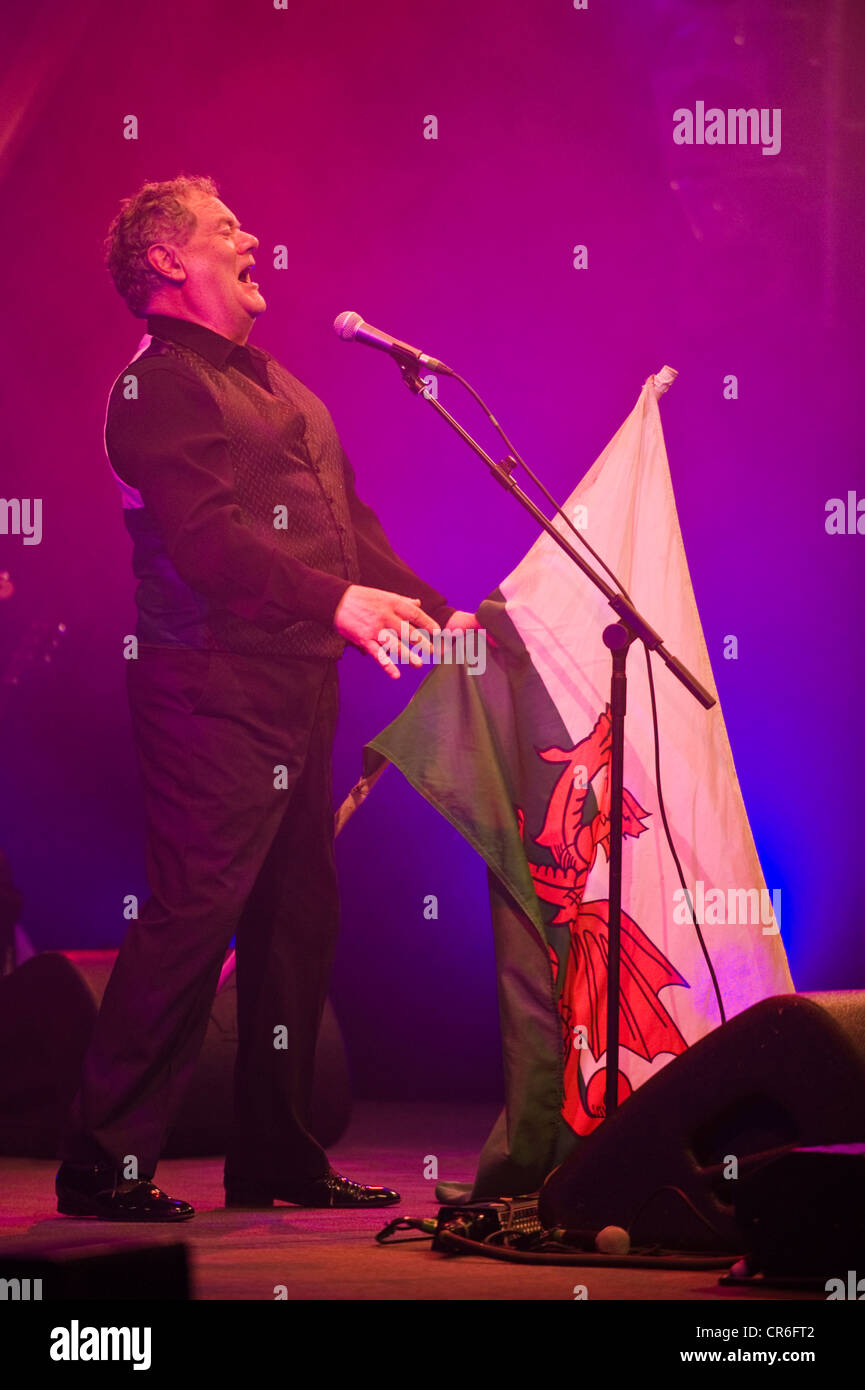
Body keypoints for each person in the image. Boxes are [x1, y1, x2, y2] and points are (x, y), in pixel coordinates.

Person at [55, 175, 479, 1221]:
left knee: (298, 919)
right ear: (167, 261)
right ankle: (104, 1163)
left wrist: (436, 613)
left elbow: (349, 526)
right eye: (225, 228)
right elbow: (208, 545)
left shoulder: (277, 385)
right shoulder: (153, 388)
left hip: (294, 682)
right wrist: (337, 600)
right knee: (196, 915)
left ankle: (276, 1154)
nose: (253, 240)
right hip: (209, 685)